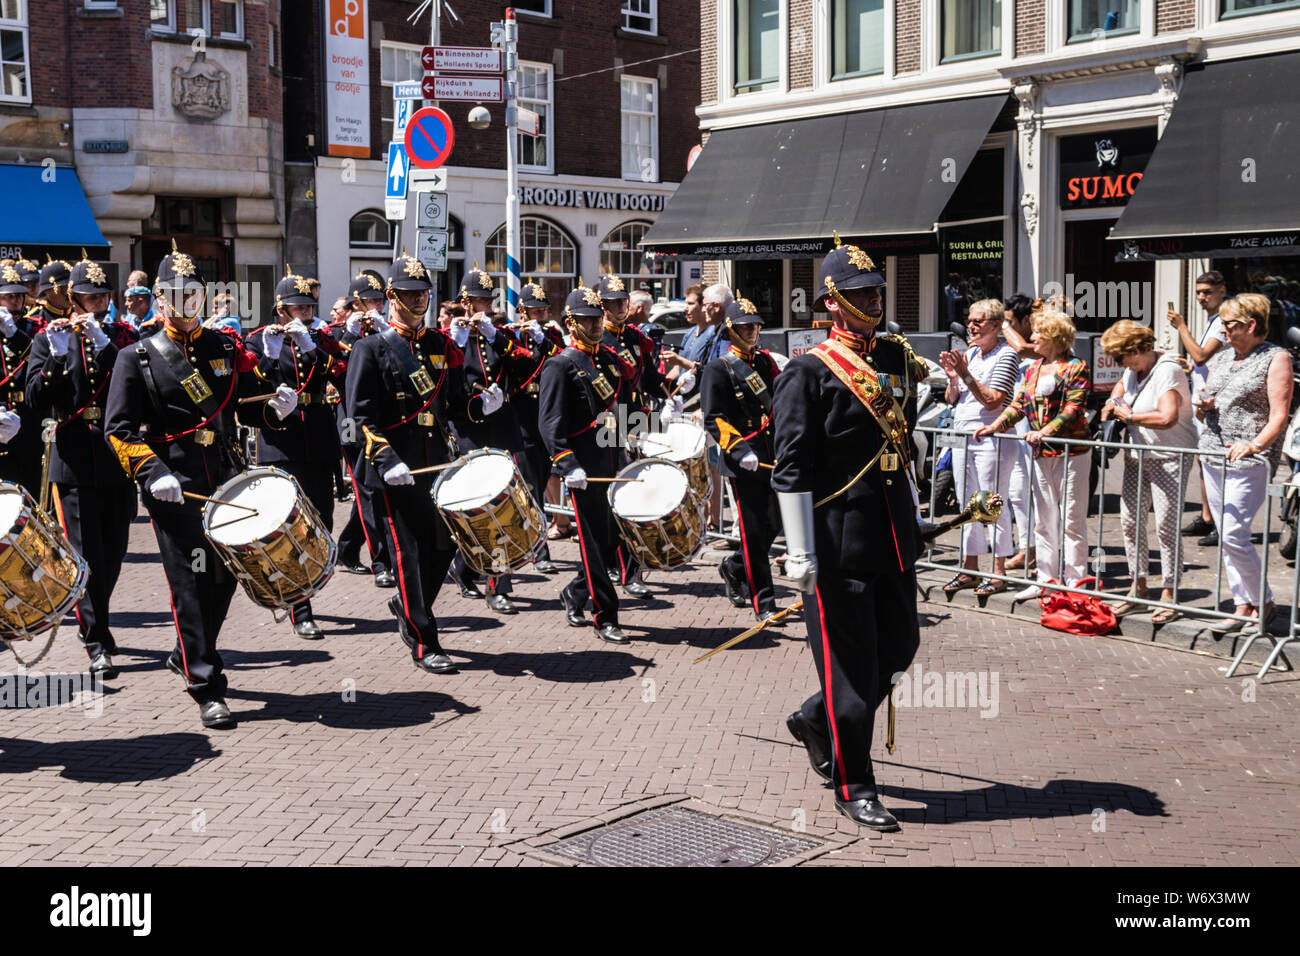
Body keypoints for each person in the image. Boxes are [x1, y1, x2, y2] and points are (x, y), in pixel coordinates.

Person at [105, 244, 296, 728]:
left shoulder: (225, 347)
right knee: (189, 584)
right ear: (162, 299)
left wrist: (275, 410)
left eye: (193, 293)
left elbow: (243, 406)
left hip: (225, 479)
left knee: (224, 578)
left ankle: (186, 651)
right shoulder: (138, 356)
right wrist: (153, 472)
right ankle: (206, 683)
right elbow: (118, 430)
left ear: (205, 296)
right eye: (175, 293)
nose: (185, 301)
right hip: (175, 486)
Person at [774, 235, 922, 831]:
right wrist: (799, 550)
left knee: (900, 650)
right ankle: (855, 783)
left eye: (877, 291)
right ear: (831, 301)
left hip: (890, 537)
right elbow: (791, 469)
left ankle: (817, 719)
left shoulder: (891, 358)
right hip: (837, 545)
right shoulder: (807, 373)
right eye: (860, 293)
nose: (874, 301)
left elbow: (902, 444)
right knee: (852, 671)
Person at [344, 254, 502, 673]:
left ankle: (409, 606)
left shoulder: (440, 345)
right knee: (408, 555)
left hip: (435, 466)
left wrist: (480, 405)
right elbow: (359, 418)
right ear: (392, 297)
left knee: (444, 545)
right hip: (395, 470)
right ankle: (424, 640)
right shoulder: (370, 348)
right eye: (411, 294)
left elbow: (451, 404)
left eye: (424, 294)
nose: (419, 301)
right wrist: (386, 458)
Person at [25, 256, 139, 677]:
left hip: (115, 452)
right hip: (72, 457)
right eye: (89, 298)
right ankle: (98, 640)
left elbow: (136, 385)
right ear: (73, 298)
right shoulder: (47, 338)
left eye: (103, 297)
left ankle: (94, 613)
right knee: (84, 551)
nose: (97, 306)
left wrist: (109, 347)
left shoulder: (123, 336)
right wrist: (54, 358)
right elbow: (36, 399)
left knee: (114, 551)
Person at [245, 268, 347, 639]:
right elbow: (252, 385)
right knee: (287, 522)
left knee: (322, 518)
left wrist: (312, 347)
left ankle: (304, 586)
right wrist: (269, 360)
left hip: (317, 431)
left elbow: (344, 374)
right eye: (296, 307)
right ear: (280, 308)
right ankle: (299, 605)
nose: (303, 313)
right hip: (280, 437)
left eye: (308, 307)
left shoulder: (321, 337)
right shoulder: (258, 340)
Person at [539, 280, 635, 644]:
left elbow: (623, 411)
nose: (596, 325)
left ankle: (575, 593)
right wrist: (567, 464)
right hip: (583, 470)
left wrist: (647, 432)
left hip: (613, 461)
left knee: (612, 540)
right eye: (587, 320)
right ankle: (605, 616)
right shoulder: (560, 366)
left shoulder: (610, 360)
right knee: (595, 543)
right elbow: (550, 425)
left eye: (598, 319)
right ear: (570, 322)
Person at [1194, 293, 1293, 635]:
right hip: (1212, 452)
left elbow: (1279, 416)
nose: (1222, 331)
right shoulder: (1223, 358)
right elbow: (1206, 401)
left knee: (1236, 534)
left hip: (1249, 460)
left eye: (1229, 325)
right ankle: (1242, 605)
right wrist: (1203, 405)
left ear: (1251, 325)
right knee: (1225, 535)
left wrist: (1254, 445)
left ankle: (1263, 603)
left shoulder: (1276, 358)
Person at [975, 311, 1091, 596]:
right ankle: (1046, 580)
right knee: (1043, 520)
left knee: (1072, 520)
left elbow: (1074, 409)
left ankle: (1076, 581)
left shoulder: (1076, 367)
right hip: (1042, 454)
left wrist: (1045, 431)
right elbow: (1017, 406)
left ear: (1054, 337)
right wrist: (995, 425)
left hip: (1071, 453)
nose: (1032, 338)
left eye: (1038, 333)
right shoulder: (1031, 369)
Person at [1098, 320, 1197, 623]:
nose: (1118, 364)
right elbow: (1120, 388)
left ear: (1138, 349)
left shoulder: (1168, 370)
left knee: (1166, 525)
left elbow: (1167, 417)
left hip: (1168, 454)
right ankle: (1138, 587)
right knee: (1130, 521)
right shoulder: (1133, 369)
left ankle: (1170, 592)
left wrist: (1131, 416)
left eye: (1120, 357)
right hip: (1138, 454)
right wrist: (1111, 404)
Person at [701, 294, 781, 622]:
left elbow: (779, 404)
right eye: (745, 327)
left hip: (771, 455)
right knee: (752, 530)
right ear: (732, 330)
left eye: (755, 327)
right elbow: (714, 417)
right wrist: (739, 449)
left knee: (774, 523)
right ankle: (765, 601)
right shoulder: (718, 369)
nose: (751, 332)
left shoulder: (765, 363)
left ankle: (734, 566)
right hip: (744, 460)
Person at [446, 268, 519, 613]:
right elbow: (443, 386)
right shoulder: (450, 338)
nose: (485, 307)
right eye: (479, 301)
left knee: (501, 507)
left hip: (500, 425)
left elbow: (527, 363)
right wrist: (454, 346)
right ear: (464, 302)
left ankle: (493, 583)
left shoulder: (498, 334)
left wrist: (498, 338)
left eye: (489, 301)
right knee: (482, 506)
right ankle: (478, 572)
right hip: (469, 428)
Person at [938, 299, 1020, 596]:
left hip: (991, 438)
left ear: (996, 326)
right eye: (969, 320)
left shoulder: (1007, 355)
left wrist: (966, 374)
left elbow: (993, 400)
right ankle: (969, 568)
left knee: (992, 504)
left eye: (978, 322)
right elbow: (953, 399)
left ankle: (998, 571)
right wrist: (952, 378)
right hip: (963, 436)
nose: (970, 326)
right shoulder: (971, 353)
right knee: (966, 504)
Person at [597, 272, 666, 598]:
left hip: (639, 417)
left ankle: (629, 568)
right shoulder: (600, 339)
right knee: (619, 496)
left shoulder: (635, 337)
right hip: (611, 422)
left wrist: (670, 395)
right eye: (612, 303)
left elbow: (649, 377)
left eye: (622, 301)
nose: (619, 307)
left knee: (639, 490)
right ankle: (621, 566)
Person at [332, 273, 395, 587]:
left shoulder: (391, 330)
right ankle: (382, 561)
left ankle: (346, 546)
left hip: (384, 418)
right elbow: (330, 371)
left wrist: (390, 337)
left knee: (372, 491)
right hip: (349, 419)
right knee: (366, 488)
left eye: (380, 300)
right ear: (355, 304)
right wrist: (347, 337)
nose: (377, 306)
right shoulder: (337, 334)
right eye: (370, 300)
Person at [1168, 271, 1230, 546]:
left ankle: (1221, 522)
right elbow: (1204, 360)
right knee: (1203, 461)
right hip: (1201, 398)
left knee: (1215, 462)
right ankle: (1207, 517)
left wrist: (1181, 327)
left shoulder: (1225, 320)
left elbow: (1203, 353)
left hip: (1214, 401)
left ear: (1221, 290)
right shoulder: (1213, 320)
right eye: (1198, 292)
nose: (1201, 297)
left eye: (1207, 292)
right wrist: (1192, 367)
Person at [512, 281, 562, 575]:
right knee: (530, 487)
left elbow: (562, 359)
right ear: (522, 310)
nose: (540, 315)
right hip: (522, 419)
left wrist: (543, 339)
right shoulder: (510, 334)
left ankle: (533, 542)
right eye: (535, 310)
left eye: (544, 310)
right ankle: (540, 550)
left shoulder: (552, 335)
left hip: (547, 415)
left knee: (541, 482)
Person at [999, 293, 1037, 574]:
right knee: (1016, 491)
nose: (1007, 327)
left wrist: (1000, 325)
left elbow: (1023, 348)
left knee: (1032, 491)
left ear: (1026, 320)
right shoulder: (1010, 343)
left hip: (1035, 428)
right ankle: (1027, 547)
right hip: (1017, 426)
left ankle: (1035, 550)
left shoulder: (1038, 343)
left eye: (1011, 322)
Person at [0, 260, 44, 494]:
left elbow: (42, 363)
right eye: (8, 296)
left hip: (28, 417)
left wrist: (14, 335)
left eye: (19, 295)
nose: (16, 300)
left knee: (31, 490)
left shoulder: (36, 327)